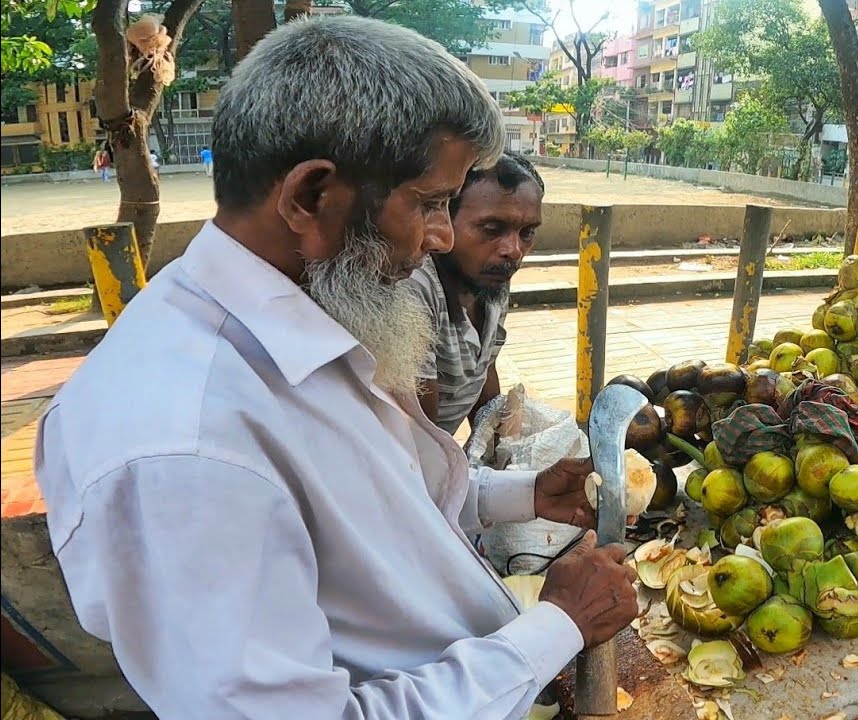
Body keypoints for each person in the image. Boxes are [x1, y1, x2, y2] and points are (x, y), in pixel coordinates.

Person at [34, 16, 637, 719]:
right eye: (431, 203)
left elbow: (375, 514)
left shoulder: (309, 318)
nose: (442, 236)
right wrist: (559, 624)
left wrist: (523, 495)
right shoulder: (185, 447)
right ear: (311, 196)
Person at [405, 151, 543, 434]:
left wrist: (497, 447)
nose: (513, 250)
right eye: (492, 228)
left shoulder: (491, 281)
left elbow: (484, 369)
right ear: (442, 222)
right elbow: (424, 444)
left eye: (527, 232)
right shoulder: (415, 291)